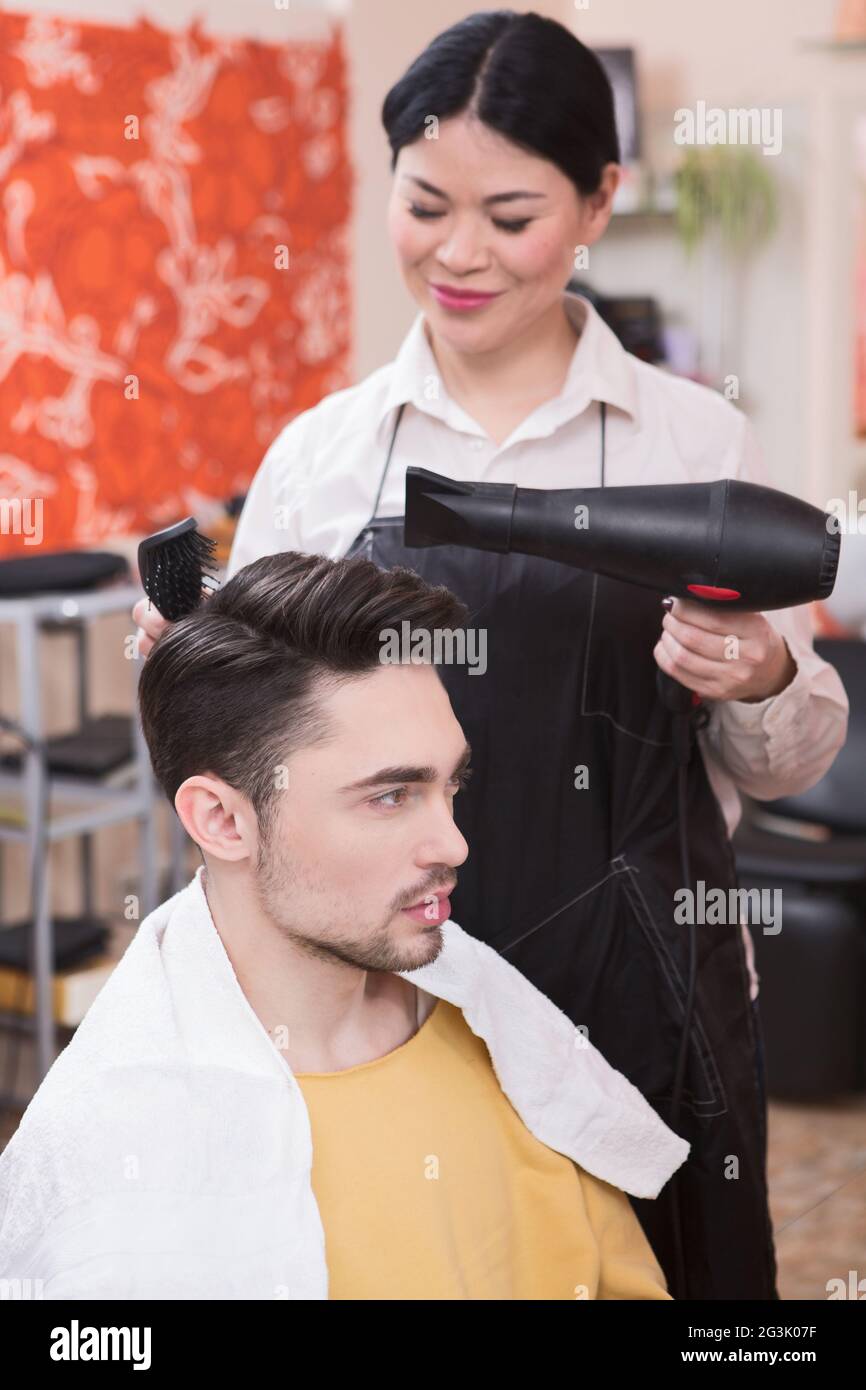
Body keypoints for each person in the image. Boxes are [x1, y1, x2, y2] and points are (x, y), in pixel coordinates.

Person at [133, 11, 849, 1298]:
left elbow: (790, 760)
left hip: (650, 982)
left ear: (595, 204)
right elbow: (252, 756)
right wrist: (185, 675)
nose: (457, 254)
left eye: (510, 215)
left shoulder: (686, 439)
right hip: (397, 985)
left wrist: (760, 678)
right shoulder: (326, 455)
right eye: (424, 205)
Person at [0, 552, 688, 1300]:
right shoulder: (113, 1167)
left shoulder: (501, 1031)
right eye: (390, 797)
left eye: (450, 785)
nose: (454, 845)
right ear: (223, 820)